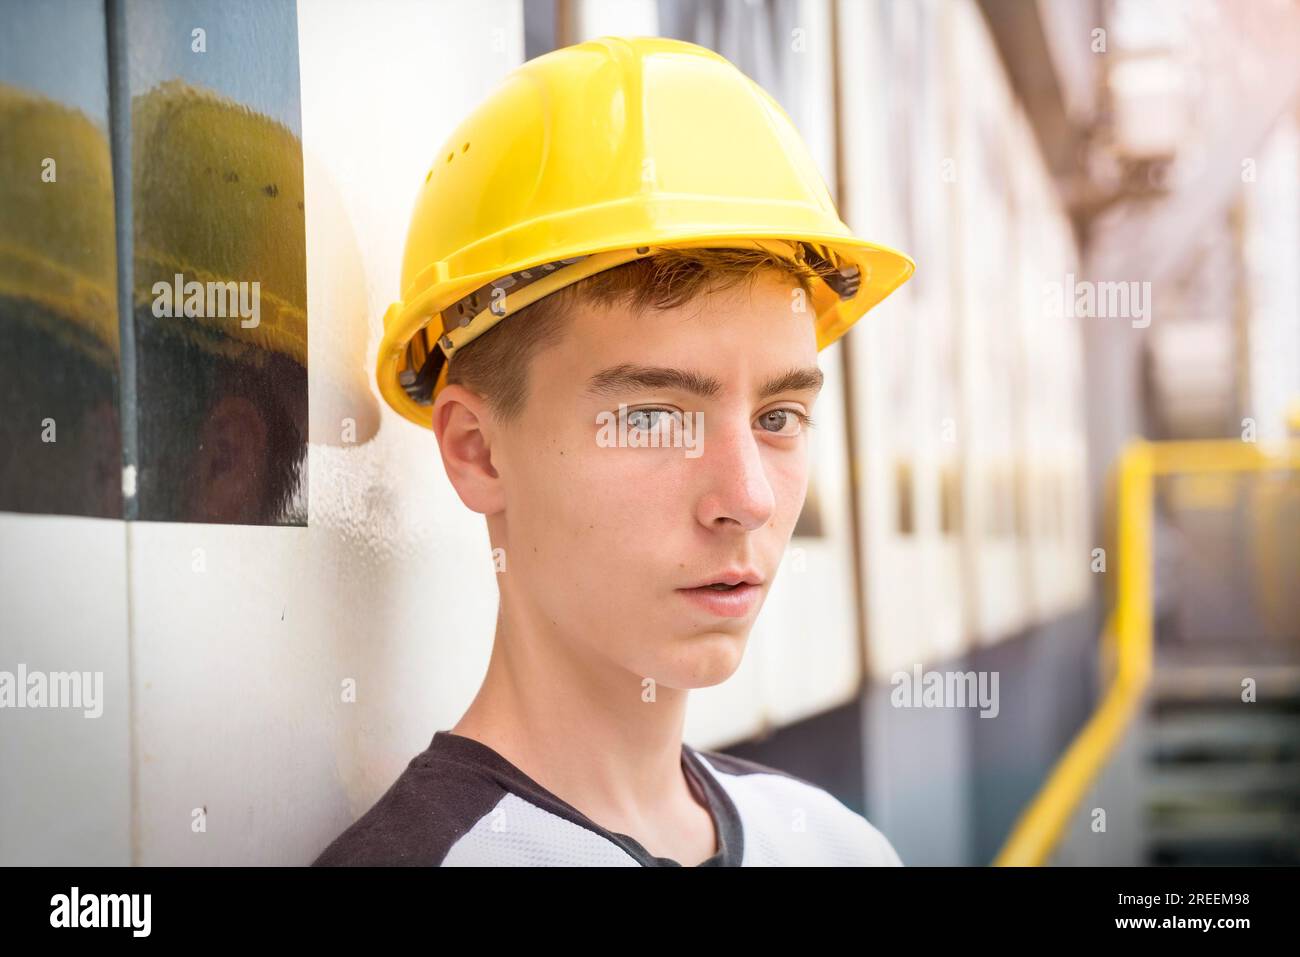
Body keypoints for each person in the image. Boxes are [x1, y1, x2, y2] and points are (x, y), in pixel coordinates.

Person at [313, 35, 914, 866]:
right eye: (656, 417)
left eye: (778, 416)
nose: (749, 497)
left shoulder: (842, 847)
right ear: (478, 450)